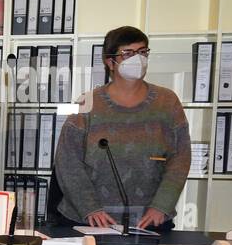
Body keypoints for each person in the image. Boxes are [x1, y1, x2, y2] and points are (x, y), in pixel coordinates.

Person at [54, 26, 189, 231]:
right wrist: (90, 208)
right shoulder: (86, 102)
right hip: (89, 222)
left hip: (149, 221)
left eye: (143, 52)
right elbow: (67, 161)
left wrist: (162, 206)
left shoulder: (167, 101)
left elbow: (180, 157)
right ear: (110, 62)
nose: (138, 59)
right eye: (128, 53)